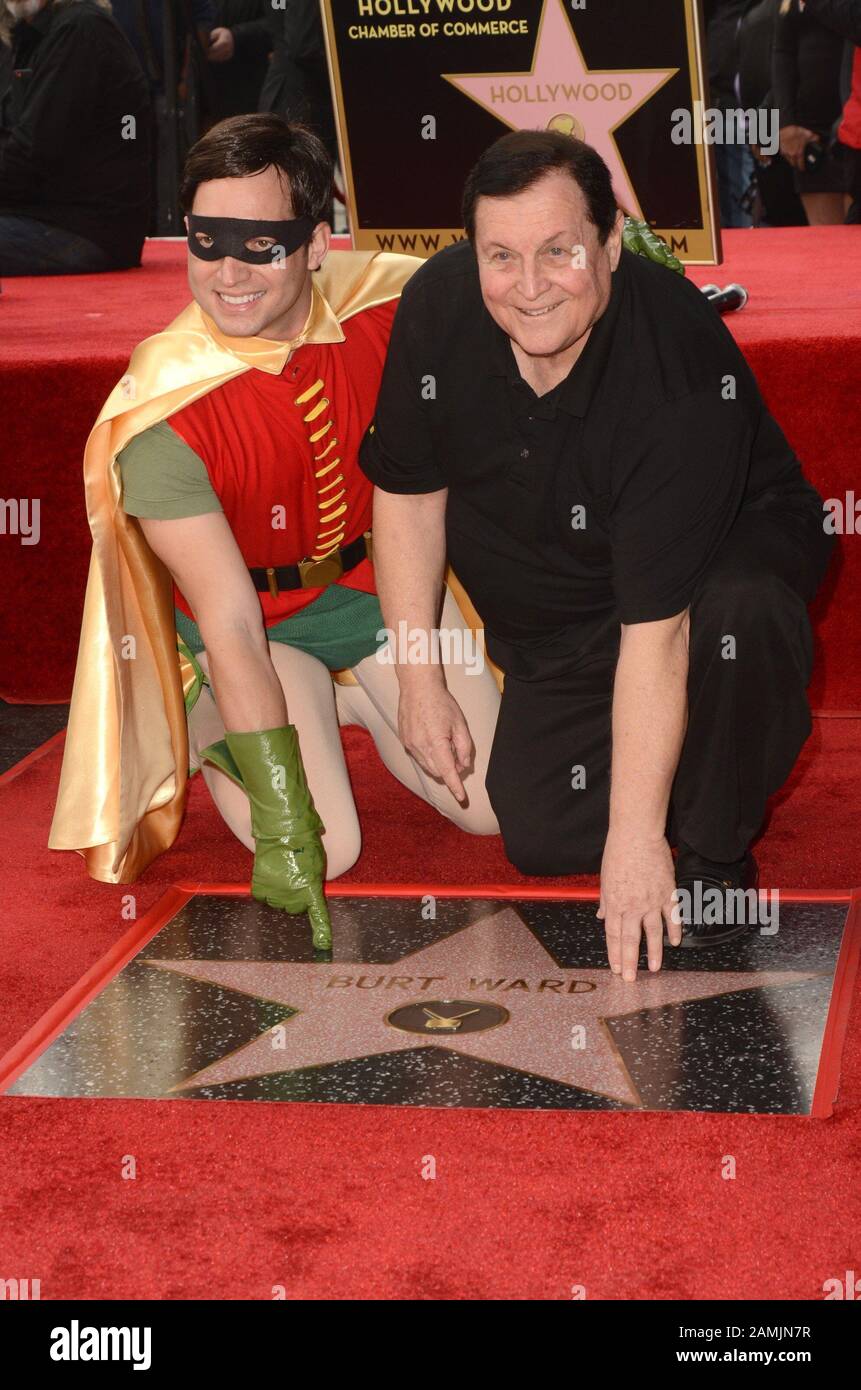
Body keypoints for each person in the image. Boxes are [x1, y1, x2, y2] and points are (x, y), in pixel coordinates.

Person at [359, 130, 836, 982]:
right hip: (568, 612)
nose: (528, 286)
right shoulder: (436, 308)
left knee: (738, 616)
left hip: (714, 563)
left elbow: (656, 632)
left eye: (559, 251)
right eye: (500, 256)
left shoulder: (675, 370)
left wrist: (636, 841)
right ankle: (688, 755)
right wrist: (418, 677)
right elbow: (405, 493)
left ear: (611, 244)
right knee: (539, 837)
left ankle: (715, 846)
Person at [47, 113, 502, 949]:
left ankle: (361, 699)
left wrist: (421, 680)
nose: (228, 271)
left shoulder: (388, 305)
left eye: (261, 243)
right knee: (331, 849)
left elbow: (524, 282)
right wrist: (287, 826)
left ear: (316, 246)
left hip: (382, 591)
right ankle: (217, 729)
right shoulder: (163, 410)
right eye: (207, 240)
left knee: (493, 810)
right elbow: (229, 623)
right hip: (260, 631)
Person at [0, 0, 151, 275]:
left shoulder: (80, 28)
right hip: (58, 219)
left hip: (82, 228)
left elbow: (33, 153)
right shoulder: (33, 33)